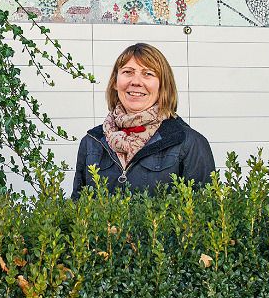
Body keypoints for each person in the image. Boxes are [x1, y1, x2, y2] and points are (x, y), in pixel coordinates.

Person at [72, 42, 214, 197]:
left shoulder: (188, 143)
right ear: (115, 82)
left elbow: (204, 213)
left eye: (148, 74)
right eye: (128, 72)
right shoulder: (92, 142)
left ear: (163, 85)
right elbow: (79, 210)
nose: (136, 82)